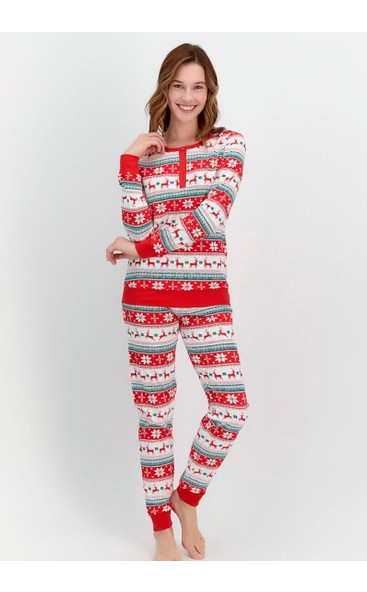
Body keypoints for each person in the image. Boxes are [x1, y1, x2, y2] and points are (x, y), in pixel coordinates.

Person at [106, 42, 250, 561]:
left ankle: (186, 497)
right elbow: (136, 224)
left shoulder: (229, 145)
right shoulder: (146, 155)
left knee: (230, 406)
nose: (188, 97)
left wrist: (141, 248)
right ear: (164, 89)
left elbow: (211, 218)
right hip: (146, 299)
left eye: (198, 87)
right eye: (178, 86)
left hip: (206, 297)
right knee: (155, 414)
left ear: (209, 92)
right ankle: (160, 529)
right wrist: (128, 162)